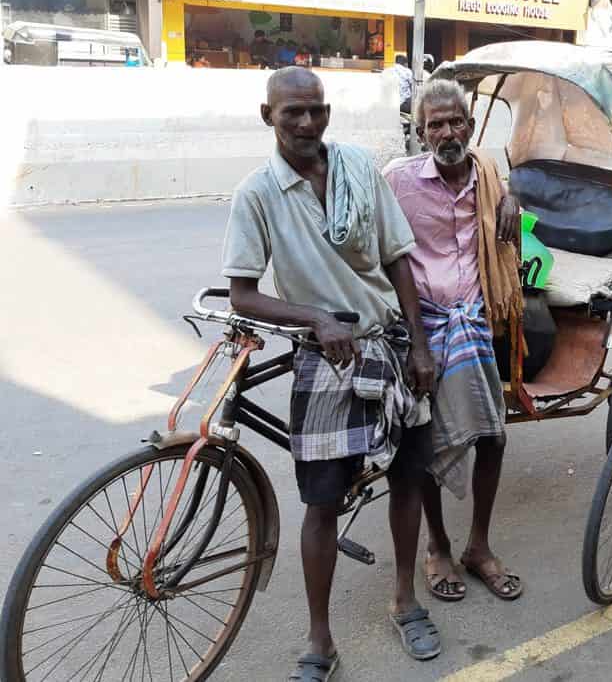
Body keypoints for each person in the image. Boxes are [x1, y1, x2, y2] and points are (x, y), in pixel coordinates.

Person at [221, 66, 445, 678]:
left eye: (316, 110)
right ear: (268, 115)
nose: (306, 122)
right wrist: (315, 319)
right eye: (292, 111)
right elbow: (243, 293)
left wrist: (420, 346)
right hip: (327, 357)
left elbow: (399, 260)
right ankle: (320, 640)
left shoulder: (357, 168)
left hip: (390, 344)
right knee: (320, 503)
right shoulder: (257, 194)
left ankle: (406, 598)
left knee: (407, 479)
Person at [383, 77, 526, 603]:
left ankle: (479, 546)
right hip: (422, 325)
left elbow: (508, 189)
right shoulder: (397, 180)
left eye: (455, 122)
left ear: (469, 125)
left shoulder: (486, 171)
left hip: (475, 321)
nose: (446, 132)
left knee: (493, 436)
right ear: (420, 133)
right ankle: (438, 544)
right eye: (434, 124)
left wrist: (513, 199)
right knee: (423, 441)